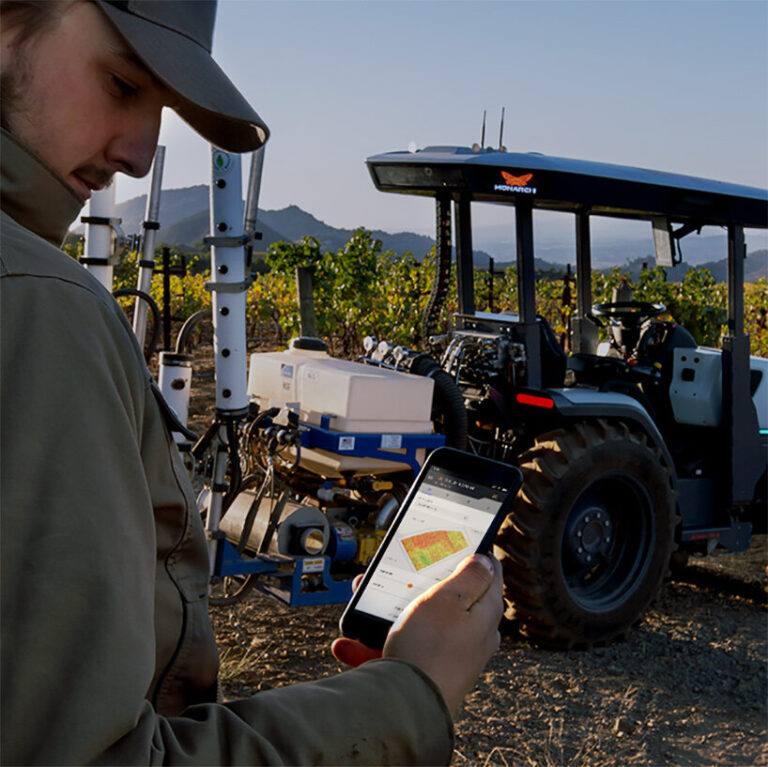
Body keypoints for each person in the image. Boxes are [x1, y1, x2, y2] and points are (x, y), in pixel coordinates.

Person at [0, 1, 504, 764]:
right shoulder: (41, 304)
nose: (140, 153)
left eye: (161, 111)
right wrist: (411, 690)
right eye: (122, 82)